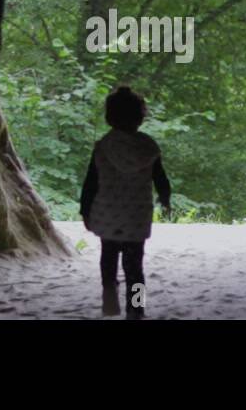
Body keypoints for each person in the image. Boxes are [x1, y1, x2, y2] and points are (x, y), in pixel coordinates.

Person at [80, 86, 171, 319]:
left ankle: (110, 301)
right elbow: (160, 178)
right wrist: (165, 198)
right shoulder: (148, 147)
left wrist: (85, 210)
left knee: (108, 260)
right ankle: (136, 309)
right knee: (135, 268)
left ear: (110, 116)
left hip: (107, 214)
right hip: (136, 217)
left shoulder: (102, 147)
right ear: (140, 117)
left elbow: (91, 182)